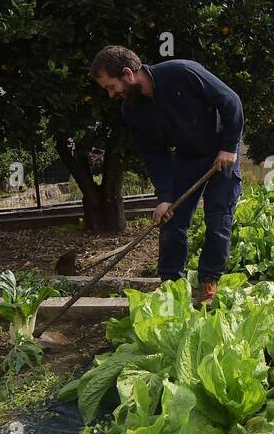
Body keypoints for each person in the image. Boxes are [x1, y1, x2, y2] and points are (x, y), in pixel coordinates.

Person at [90, 45, 243, 305]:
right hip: (187, 158)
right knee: (171, 221)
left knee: (218, 221)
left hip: (222, 153)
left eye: (111, 86)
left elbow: (230, 101)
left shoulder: (182, 72)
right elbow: (154, 155)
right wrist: (164, 197)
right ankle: (170, 284)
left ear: (128, 74)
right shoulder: (132, 111)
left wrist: (228, 147)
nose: (110, 94)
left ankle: (208, 281)